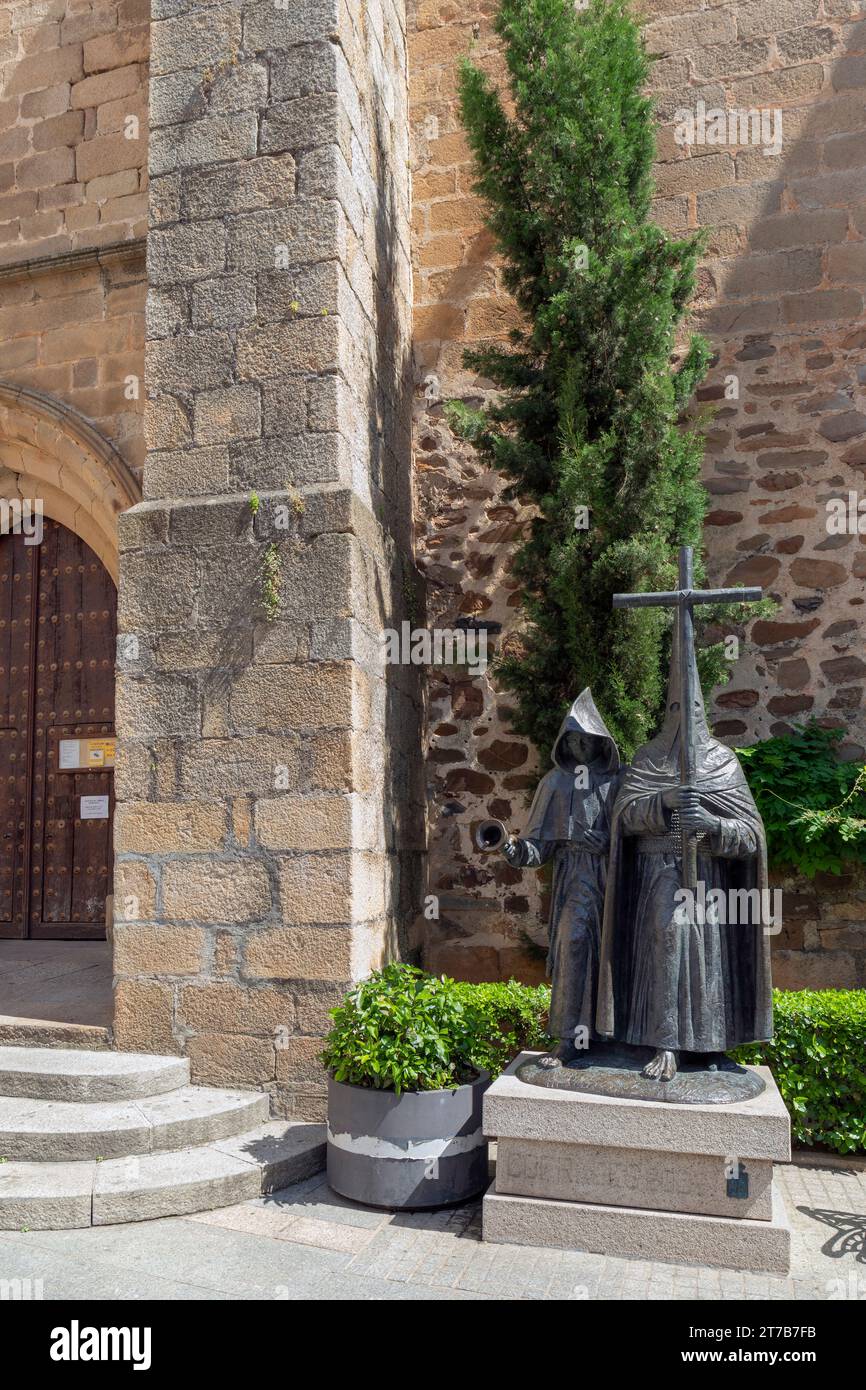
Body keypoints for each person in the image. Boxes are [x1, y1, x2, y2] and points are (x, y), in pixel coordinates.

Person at [596, 628, 772, 1081]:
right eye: (676, 707)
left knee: (709, 959)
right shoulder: (648, 757)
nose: (684, 715)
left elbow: (751, 833)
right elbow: (624, 818)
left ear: (703, 710)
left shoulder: (722, 762)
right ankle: (666, 1043)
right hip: (658, 869)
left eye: (692, 707)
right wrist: (664, 803)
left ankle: (709, 1045)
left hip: (710, 874)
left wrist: (713, 825)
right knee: (666, 945)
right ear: (667, 710)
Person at [500, 689, 620, 1066]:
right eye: (571, 737)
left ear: (600, 740)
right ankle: (569, 1039)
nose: (579, 744)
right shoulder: (554, 783)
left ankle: (619, 1039)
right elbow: (538, 847)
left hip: (616, 882)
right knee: (574, 945)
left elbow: (642, 835)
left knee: (619, 956)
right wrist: (513, 849)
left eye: (585, 737)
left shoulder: (620, 781)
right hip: (575, 879)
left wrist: (610, 842)